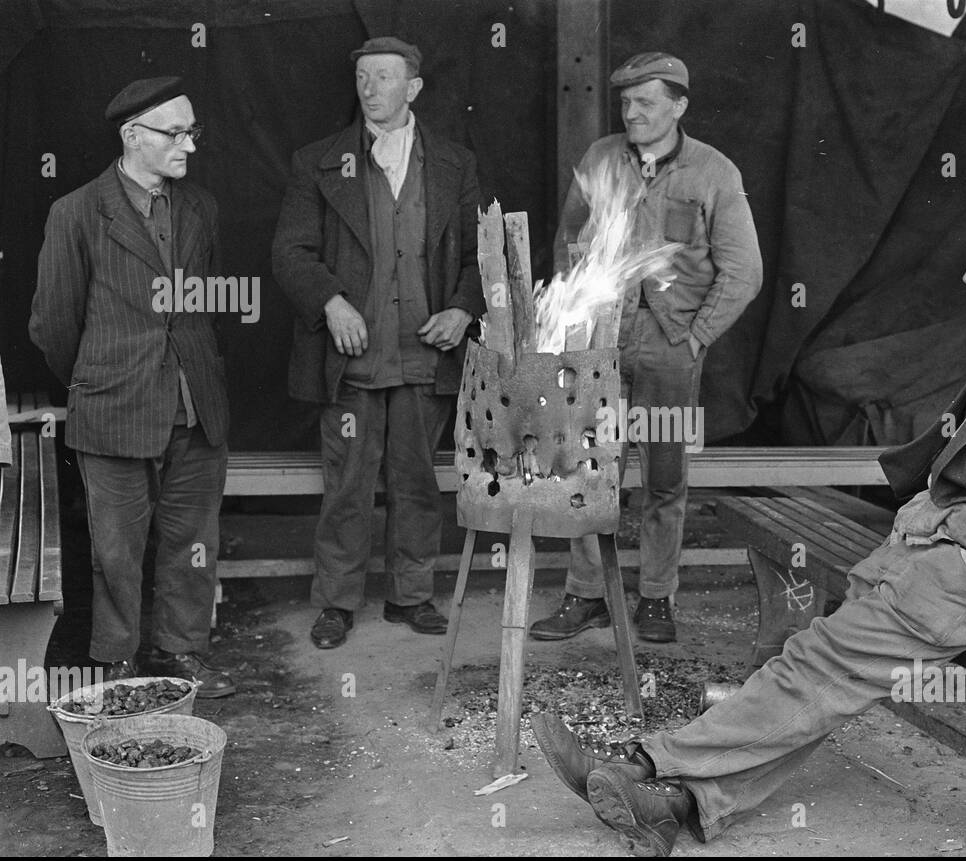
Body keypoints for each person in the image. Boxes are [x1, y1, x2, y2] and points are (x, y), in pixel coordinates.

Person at [532, 203, 966, 855]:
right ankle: (680, 804)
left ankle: (642, 765)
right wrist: (932, 508)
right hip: (940, 546)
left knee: (817, 662)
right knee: (826, 670)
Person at [530, 52, 763, 645]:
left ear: (679, 106)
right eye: (626, 103)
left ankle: (656, 596)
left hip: (667, 351)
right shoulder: (602, 159)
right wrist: (578, 322)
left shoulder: (714, 173)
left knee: (664, 479)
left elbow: (744, 273)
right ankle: (585, 596)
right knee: (588, 469)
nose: (631, 113)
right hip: (600, 348)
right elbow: (567, 242)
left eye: (646, 103)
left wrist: (693, 338)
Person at [272, 37, 486, 649]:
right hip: (352, 361)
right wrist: (331, 301)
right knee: (347, 485)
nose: (370, 88)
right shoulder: (319, 161)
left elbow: (479, 255)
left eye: (384, 77)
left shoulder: (452, 163)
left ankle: (411, 596)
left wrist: (462, 309)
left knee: (418, 480)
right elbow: (290, 252)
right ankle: (337, 603)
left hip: (425, 355)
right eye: (363, 77)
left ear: (413, 87)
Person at [30, 77, 234, 697]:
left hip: (195, 407)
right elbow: (53, 323)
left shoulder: (201, 209)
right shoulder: (76, 211)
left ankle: (182, 649)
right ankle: (117, 661)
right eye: (176, 133)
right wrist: (98, 380)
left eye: (192, 132)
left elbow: (203, 306)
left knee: (192, 540)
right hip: (112, 407)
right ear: (132, 136)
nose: (189, 147)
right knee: (116, 549)